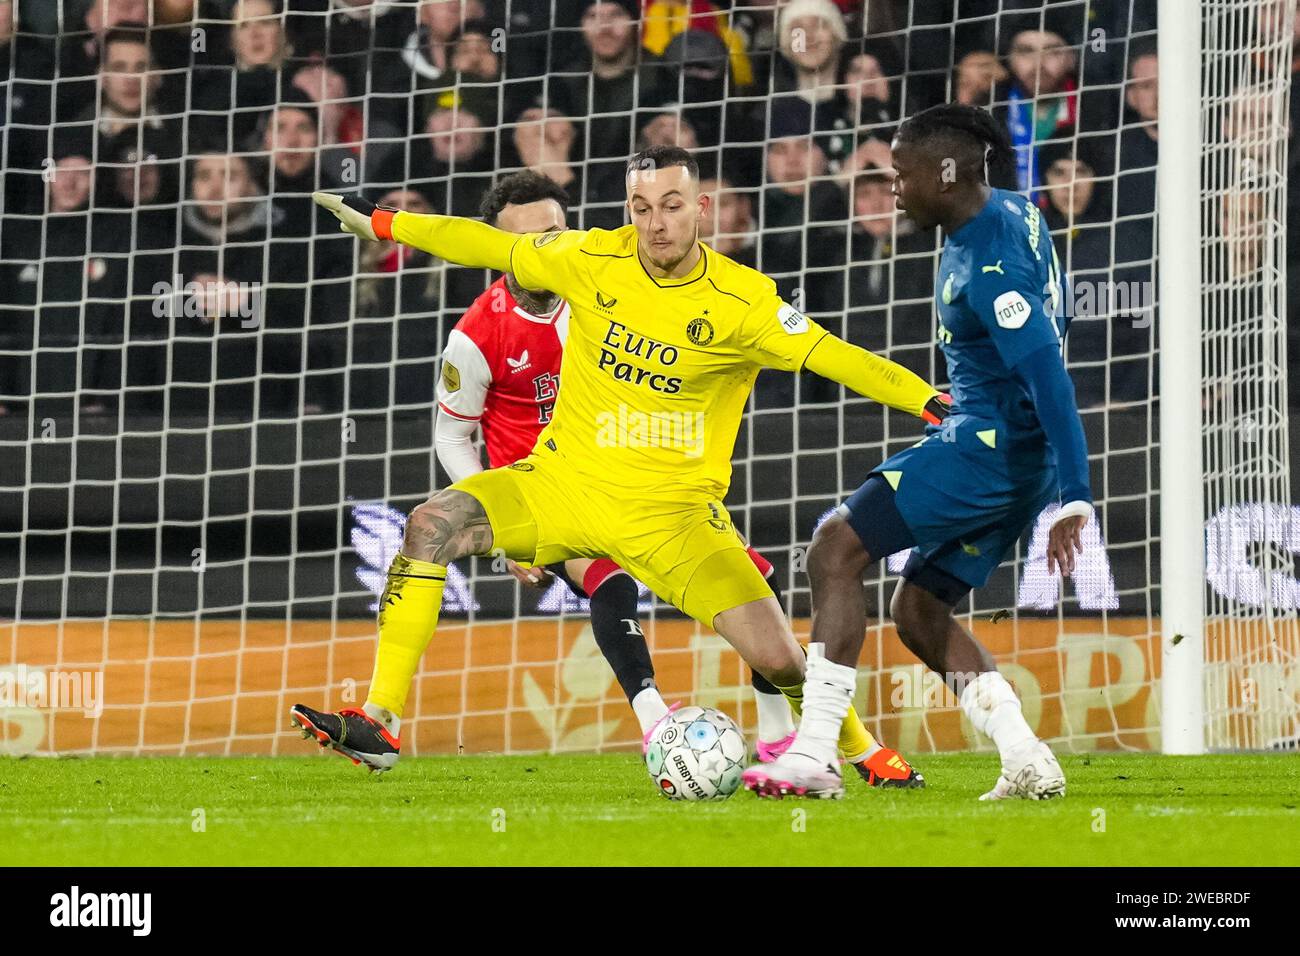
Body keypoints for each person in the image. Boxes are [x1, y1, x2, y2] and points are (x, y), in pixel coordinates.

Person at [303, 146, 949, 790]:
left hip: (675, 518)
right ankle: (381, 719)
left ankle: (861, 749)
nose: (656, 223)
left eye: (670, 206)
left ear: (699, 208)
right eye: (641, 208)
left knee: (781, 660)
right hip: (564, 487)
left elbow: (836, 356)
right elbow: (480, 244)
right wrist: (384, 223)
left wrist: (924, 398)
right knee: (432, 523)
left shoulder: (743, 301)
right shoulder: (591, 259)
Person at [746, 104, 1090, 800]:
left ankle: (813, 753)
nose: (894, 187)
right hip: (1017, 460)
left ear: (949, 171)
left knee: (834, 548)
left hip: (985, 449)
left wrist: (1077, 493)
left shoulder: (990, 268)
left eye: (901, 174)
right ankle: (1025, 755)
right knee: (919, 611)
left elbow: (1048, 374)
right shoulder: (1013, 212)